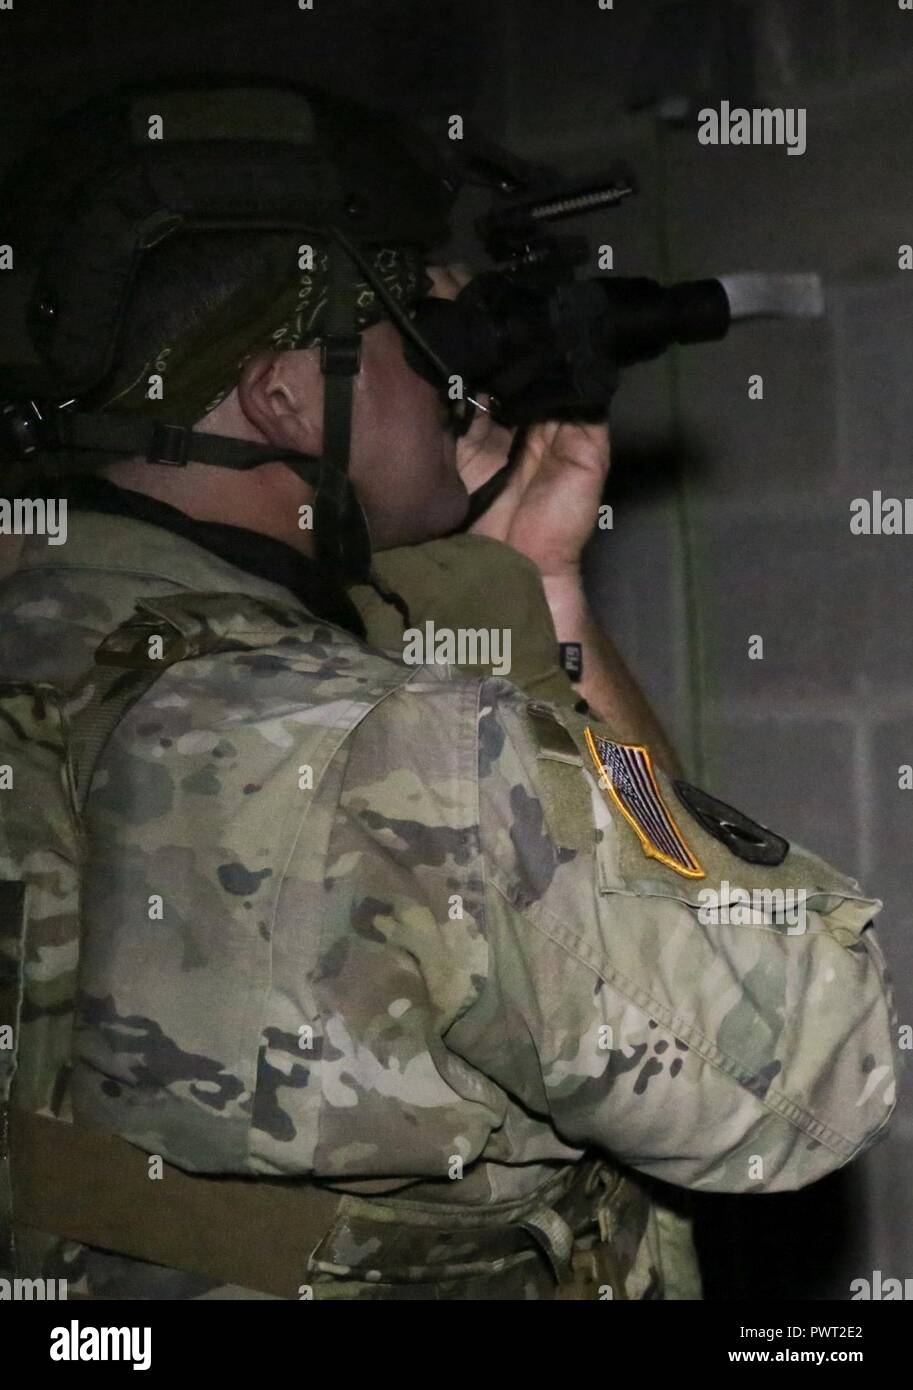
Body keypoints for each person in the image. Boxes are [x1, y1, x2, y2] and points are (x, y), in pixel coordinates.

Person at [0, 82, 897, 1301]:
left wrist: (508, 590)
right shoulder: (403, 750)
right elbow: (806, 1064)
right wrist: (538, 640)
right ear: (279, 394)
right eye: (410, 340)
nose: (453, 388)